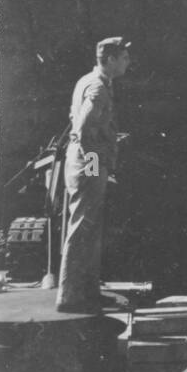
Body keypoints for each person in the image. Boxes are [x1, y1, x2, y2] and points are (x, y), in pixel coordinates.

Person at [56, 36, 130, 313]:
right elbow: (84, 128)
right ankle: (70, 296)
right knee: (82, 228)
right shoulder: (98, 88)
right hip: (89, 161)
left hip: (86, 158)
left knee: (89, 228)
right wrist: (97, 165)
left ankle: (86, 291)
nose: (127, 62)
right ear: (110, 60)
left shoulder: (88, 81)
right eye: (123, 58)